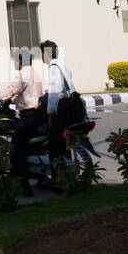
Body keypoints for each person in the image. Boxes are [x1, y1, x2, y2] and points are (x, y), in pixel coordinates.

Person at [0, 49, 43, 196]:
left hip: (29, 116)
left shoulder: (23, 73)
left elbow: (11, 90)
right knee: (26, 147)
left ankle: (23, 186)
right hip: (36, 115)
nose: (14, 63)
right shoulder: (34, 72)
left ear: (20, 61)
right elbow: (25, 93)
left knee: (16, 148)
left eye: (15, 60)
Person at [38, 39, 80, 182]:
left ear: (46, 53)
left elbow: (54, 95)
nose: (42, 56)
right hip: (73, 109)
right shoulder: (63, 66)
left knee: (53, 142)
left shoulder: (53, 68)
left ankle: (58, 177)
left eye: (42, 52)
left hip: (63, 111)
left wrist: (50, 117)